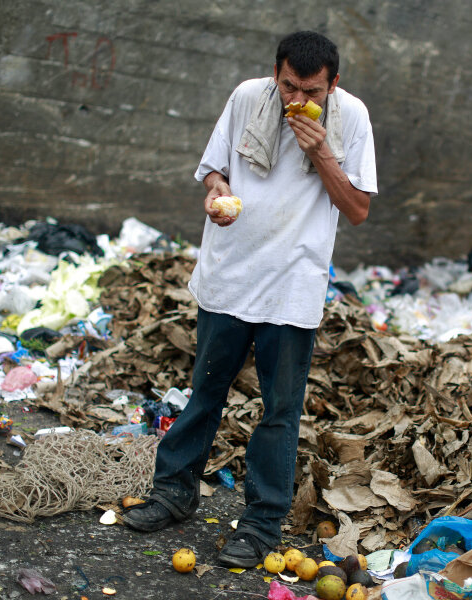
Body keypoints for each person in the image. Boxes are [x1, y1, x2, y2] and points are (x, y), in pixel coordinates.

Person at [121, 31, 377, 568]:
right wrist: (215, 190)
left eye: (310, 90)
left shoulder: (350, 119)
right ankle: (174, 491)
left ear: (334, 85)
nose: (295, 99)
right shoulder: (247, 97)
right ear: (274, 75)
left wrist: (321, 150)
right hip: (230, 273)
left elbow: (356, 209)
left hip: (291, 285)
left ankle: (261, 525)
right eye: (287, 86)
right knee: (205, 392)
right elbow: (215, 170)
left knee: (279, 412)